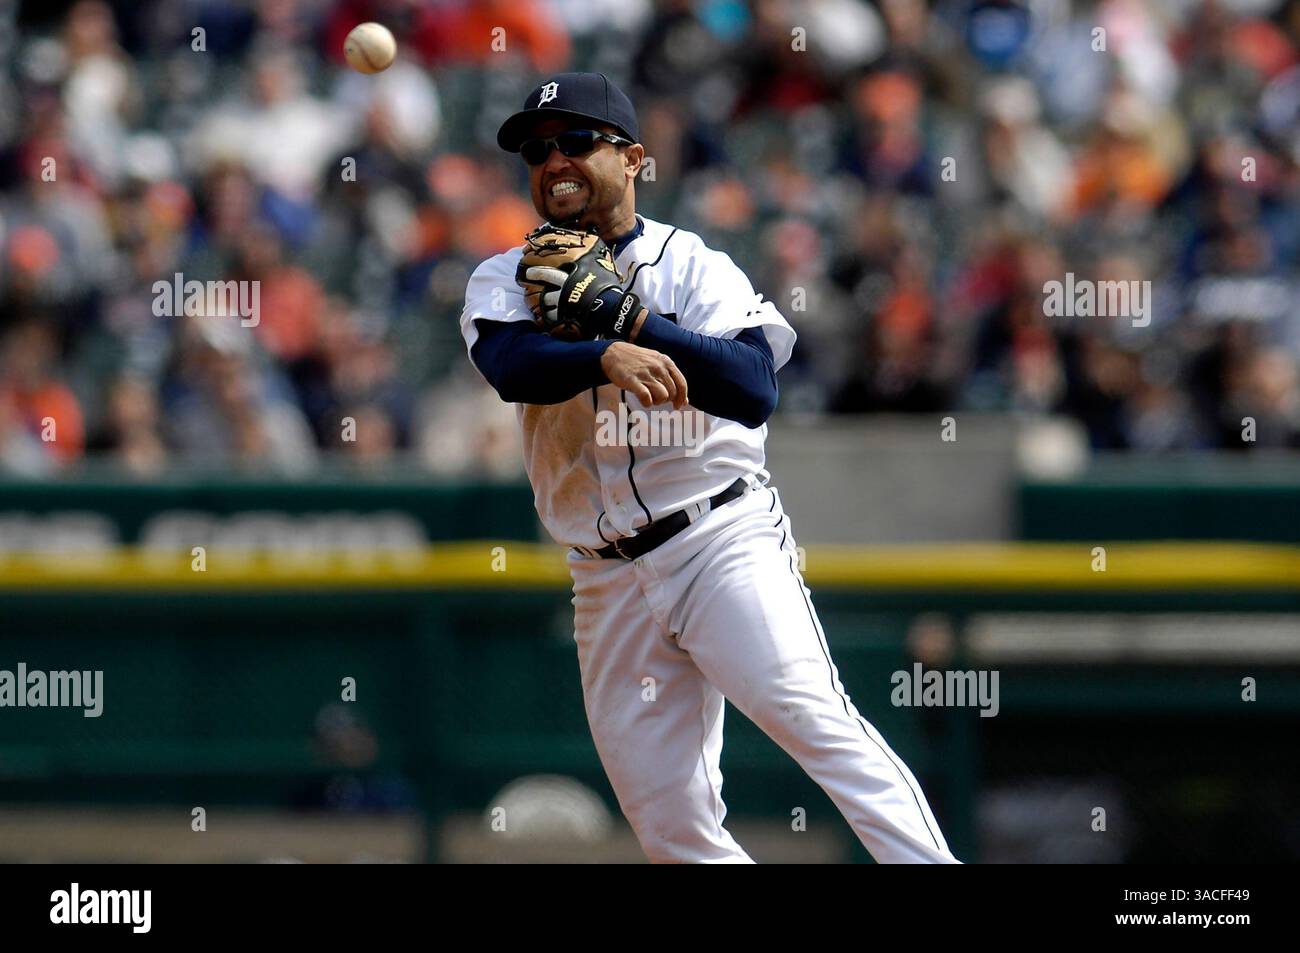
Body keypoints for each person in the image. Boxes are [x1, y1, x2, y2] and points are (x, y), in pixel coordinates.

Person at [459, 72, 958, 863]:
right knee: (669, 825)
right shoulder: (507, 276)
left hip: (717, 539)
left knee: (815, 720)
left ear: (633, 159)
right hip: (605, 575)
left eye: (577, 142)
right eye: (537, 149)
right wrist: (604, 350)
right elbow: (512, 366)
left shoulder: (692, 266)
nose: (553, 160)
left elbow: (753, 385)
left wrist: (632, 319)